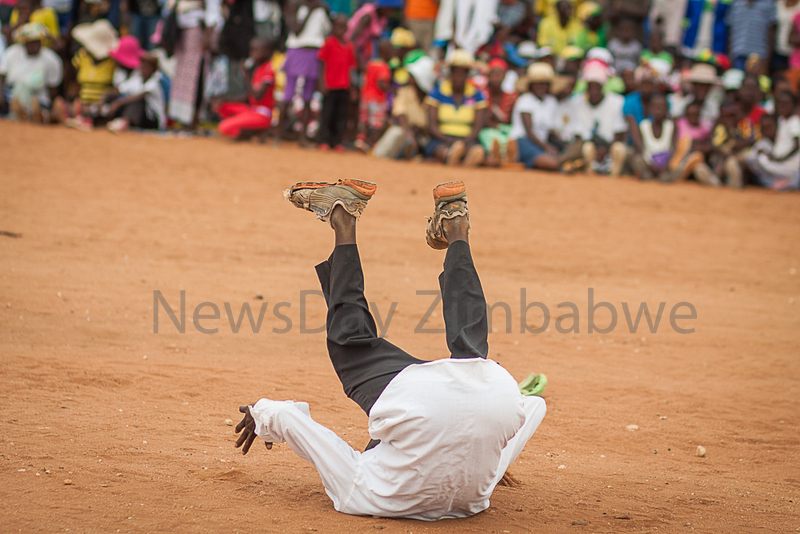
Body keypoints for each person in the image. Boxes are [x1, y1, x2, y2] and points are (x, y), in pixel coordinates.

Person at [235, 178, 547, 520]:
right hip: (451, 395)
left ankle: (454, 224)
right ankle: (345, 218)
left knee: (470, 347)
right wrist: (262, 414)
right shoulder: (363, 489)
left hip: (495, 396)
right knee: (351, 345)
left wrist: (502, 402)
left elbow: (533, 408)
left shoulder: (473, 495)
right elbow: (295, 424)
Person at [276, 0, 330, 147]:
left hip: (314, 53)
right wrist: (310, 11)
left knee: (308, 97)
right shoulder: (295, 5)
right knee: (287, 96)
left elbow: (327, 30)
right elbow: (296, 30)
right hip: (297, 51)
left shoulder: (323, 8)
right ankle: (277, 136)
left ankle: (302, 138)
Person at [424, 49, 488, 166]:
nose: (459, 76)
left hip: (467, 139)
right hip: (442, 138)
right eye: (455, 72)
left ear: (468, 74)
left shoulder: (477, 95)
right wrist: (449, 140)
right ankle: (452, 155)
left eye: (463, 72)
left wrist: (464, 141)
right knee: (438, 149)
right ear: (450, 72)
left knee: (475, 148)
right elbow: (432, 125)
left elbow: (478, 126)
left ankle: (462, 156)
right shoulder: (437, 93)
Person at [166, 0, 224, 130]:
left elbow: (213, 7)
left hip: (198, 29)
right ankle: (181, 118)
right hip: (182, 27)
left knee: (195, 75)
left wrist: (208, 34)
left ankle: (193, 119)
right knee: (182, 76)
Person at [569, 62, 628, 176]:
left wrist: (605, 150)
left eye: (597, 86)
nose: (593, 90)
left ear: (603, 87)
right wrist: (596, 150)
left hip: (609, 148)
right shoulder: (577, 102)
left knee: (619, 149)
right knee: (587, 148)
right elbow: (578, 135)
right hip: (589, 149)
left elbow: (619, 133)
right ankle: (590, 176)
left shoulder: (616, 102)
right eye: (590, 86)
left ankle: (614, 178)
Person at [372, 55, 436, 160]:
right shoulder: (404, 92)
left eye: (413, 76)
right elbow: (400, 114)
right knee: (397, 132)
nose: (409, 78)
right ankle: (379, 157)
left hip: (421, 139)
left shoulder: (431, 100)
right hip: (406, 134)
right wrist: (410, 133)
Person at [213, 37, 276, 141]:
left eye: (256, 50)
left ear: (267, 52)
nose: (252, 54)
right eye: (251, 50)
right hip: (252, 110)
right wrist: (224, 99)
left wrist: (246, 75)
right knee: (222, 106)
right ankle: (248, 129)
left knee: (223, 127)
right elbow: (248, 96)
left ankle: (250, 132)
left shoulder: (268, 70)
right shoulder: (258, 68)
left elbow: (257, 97)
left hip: (262, 114)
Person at [0, 22, 62, 123]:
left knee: (36, 104)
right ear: (24, 43)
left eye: (37, 42)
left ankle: (36, 114)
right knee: (19, 90)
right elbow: (1, 76)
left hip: (38, 98)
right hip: (10, 97)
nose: (35, 46)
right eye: (31, 42)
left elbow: (53, 89)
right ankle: (22, 113)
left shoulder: (52, 59)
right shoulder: (11, 53)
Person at [63, 20, 118, 131]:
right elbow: (73, 79)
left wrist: (101, 102)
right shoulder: (82, 56)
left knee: (99, 110)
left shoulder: (113, 62)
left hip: (101, 106)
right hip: (81, 102)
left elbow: (116, 88)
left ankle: (87, 119)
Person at [508, 62, 560, 171]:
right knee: (551, 164)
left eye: (544, 83)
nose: (541, 87)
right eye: (537, 83)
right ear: (531, 85)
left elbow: (551, 131)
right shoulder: (525, 100)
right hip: (523, 141)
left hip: (542, 142)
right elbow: (529, 132)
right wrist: (547, 147)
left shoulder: (551, 102)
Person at [744, 92, 800, 191]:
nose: (782, 106)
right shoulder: (783, 120)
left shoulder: (794, 122)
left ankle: (779, 183)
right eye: (779, 103)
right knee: (760, 148)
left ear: (794, 105)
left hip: (788, 165)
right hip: (781, 162)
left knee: (751, 158)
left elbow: (797, 145)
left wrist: (780, 159)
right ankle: (782, 182)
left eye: (786, 103)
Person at [316, 14, 356, 152]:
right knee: (327, 114)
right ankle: (324, 140)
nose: (341, 29)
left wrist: (352, 88)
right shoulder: (328, 43)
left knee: (341, 116)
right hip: (330, 86)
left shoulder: (349, 46)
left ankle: (336, 141)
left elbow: (351, 68)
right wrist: (321, 83)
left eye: (343, 26)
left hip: (344, 87)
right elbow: (321, 64)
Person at [104, 53, 167, 132]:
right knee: (115, 98)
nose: (144, 69)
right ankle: (100, 116)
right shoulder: (137, 79)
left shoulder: (154, 82)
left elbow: (139, 96)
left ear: (153, 70)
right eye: (143, 67)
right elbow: (119, 90)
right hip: (140, 117)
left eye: (147, 67)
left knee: (137, 102)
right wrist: (105, 95)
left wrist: (118, 103)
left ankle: (124, 121)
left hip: (153, 120)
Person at [355, 39, 393, 153]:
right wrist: (391, 89)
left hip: (366, 96)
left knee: (364, 120)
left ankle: (360, 139)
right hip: (377, 99)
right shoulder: (384, 67)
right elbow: (381, 83)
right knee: (377, 124)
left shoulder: (371, 63)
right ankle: (371, 143)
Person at [479, 58, 518, 166]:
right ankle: (498, 155)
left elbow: (510, 120)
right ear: (488, 76)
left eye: (499, 74)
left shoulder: (511, 97)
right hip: (487, 129)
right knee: (488, 136)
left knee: (512, 136)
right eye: (494, 74)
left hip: (505, 129)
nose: (496, 78)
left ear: (504, 76)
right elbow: (483, 120)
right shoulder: (482, 95)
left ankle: (505, 156)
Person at [725, 0, 777, 71]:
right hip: (737, 54)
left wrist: (768, 59)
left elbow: (772, 32)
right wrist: (729, 55)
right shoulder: (736, 3)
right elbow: (730, 30)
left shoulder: (768, 4)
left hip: (760, 55)